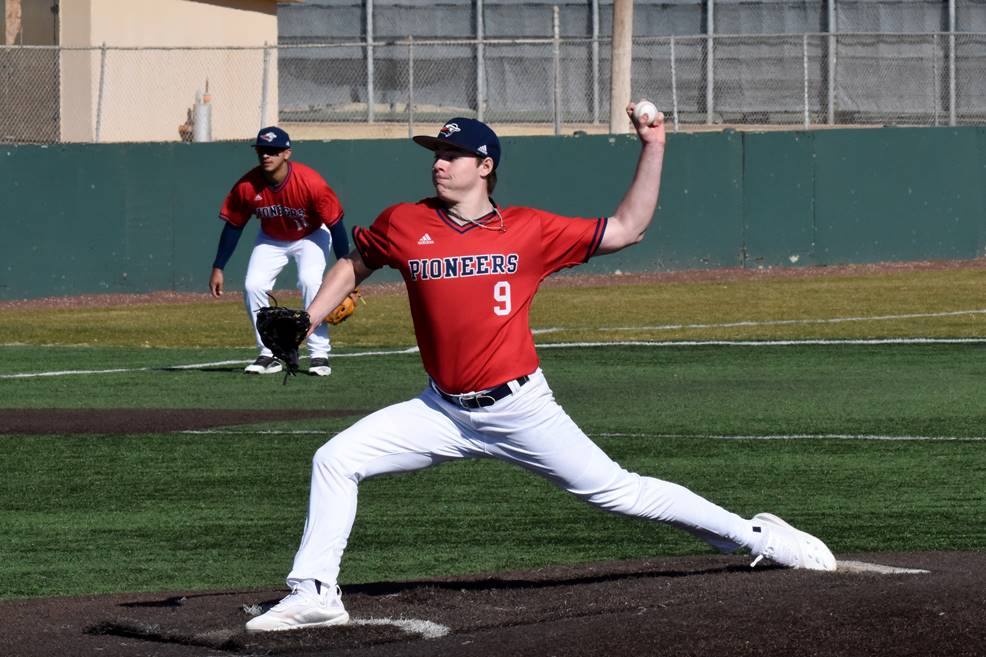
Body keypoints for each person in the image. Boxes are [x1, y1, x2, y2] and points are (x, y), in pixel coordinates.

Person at [244, 108, 837, 632]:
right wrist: (309, 318)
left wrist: (653, 146)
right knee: (336, 459)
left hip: (520, 408)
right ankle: (316, 592)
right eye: (436, 154)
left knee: (621, 493)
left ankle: (755, 536)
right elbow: (355, 261)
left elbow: (627, 229)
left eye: (451, 155)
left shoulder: (529, 230)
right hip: (441, 410)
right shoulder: (404, 222)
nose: (439, 164)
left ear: (484, 166)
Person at [209, 126, 350, 376]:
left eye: (273, 151)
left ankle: (319, 354)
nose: (266, 156)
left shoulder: (310, 183)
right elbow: (233, 226)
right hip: (271, 239)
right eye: (262, 150)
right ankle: (268, 353)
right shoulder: (247, 186)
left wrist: (346, 271)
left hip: (311, 235)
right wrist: (219, 266)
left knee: (309, 280)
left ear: (287, 153)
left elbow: (336, 225)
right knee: (253, 286)